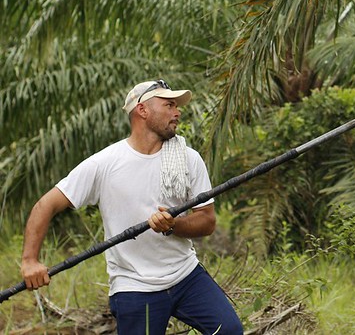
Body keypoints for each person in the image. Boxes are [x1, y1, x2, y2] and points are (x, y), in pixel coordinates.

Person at [20, 80, 243, 335]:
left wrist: (173, 225)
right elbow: (45, 204)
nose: (177, 112)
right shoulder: (105, 164)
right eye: (169, 105)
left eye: (176, 106)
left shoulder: (188, 159)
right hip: (134, 286)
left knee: (230, 331)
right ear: (142, 110)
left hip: (186, 276)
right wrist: (29, 261)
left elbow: (207, 221)